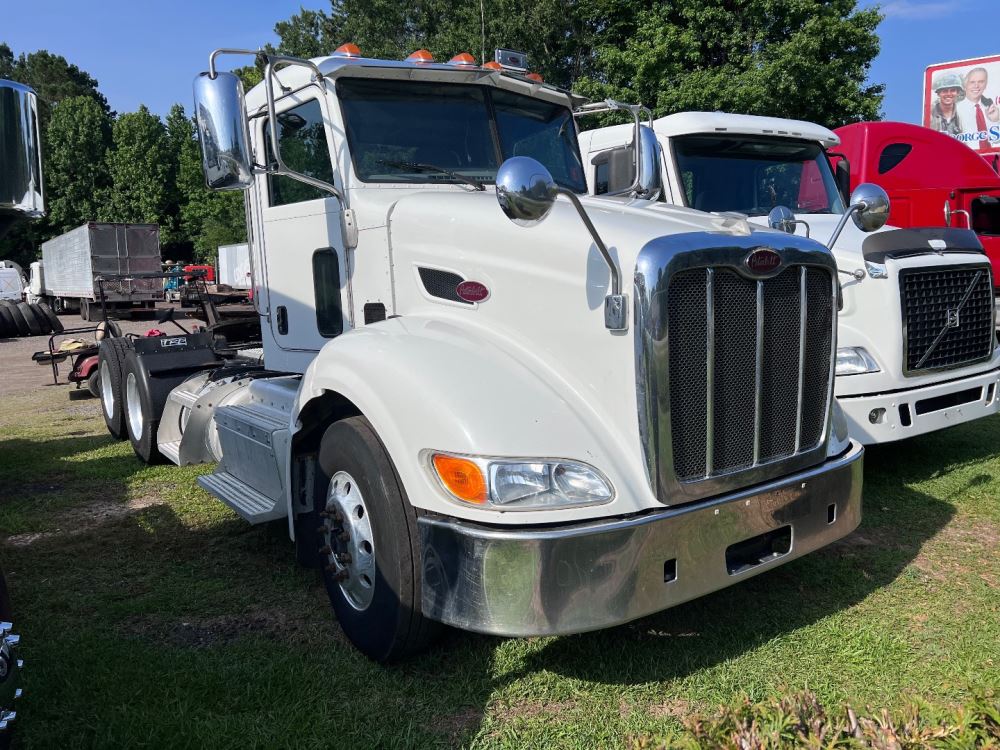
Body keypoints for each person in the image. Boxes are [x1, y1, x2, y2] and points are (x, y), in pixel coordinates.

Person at [957, 66, 999, 151]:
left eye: (981, 82)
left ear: (985, 84)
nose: (976, 86)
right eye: (972, 82)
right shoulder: (956, 110)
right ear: (965, 85)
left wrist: (996, 121)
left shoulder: (992, 109)